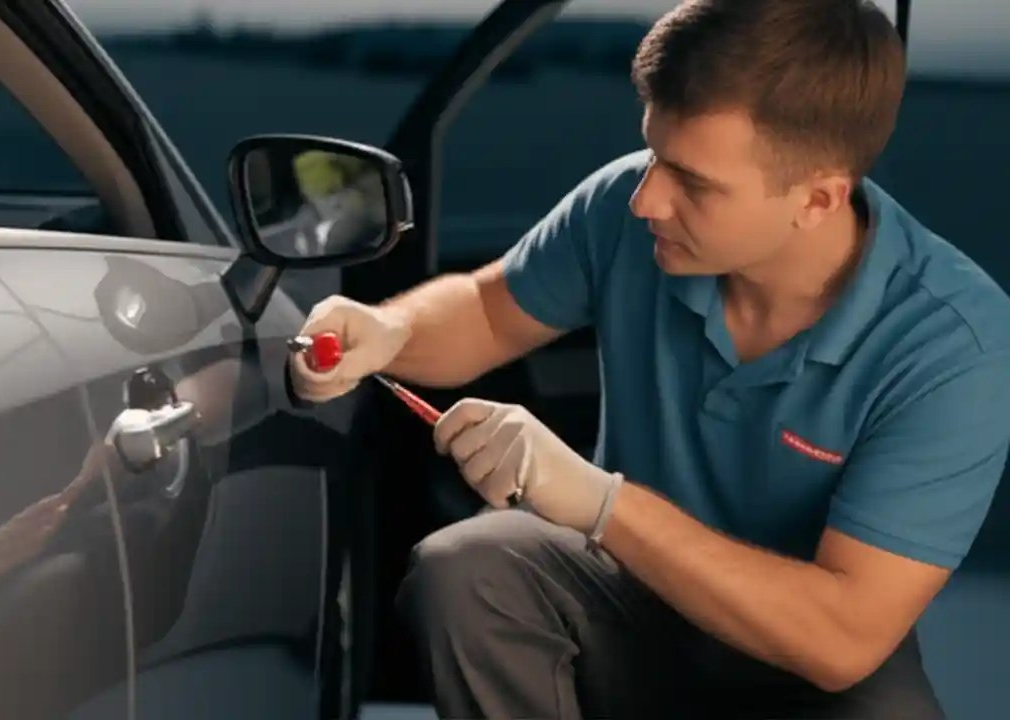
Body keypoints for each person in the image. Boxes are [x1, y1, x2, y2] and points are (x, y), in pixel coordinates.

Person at [288, 1, 1010, 717]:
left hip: (799, 653)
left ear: (818, 199)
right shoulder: (624, 213)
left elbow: (842, 636)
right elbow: (486, 311)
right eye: (655, 154)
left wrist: (602, 502)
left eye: (693, 182)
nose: (646, 199)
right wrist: (388, 330)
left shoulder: (954, 347)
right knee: (467, 572)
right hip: (620, 599)